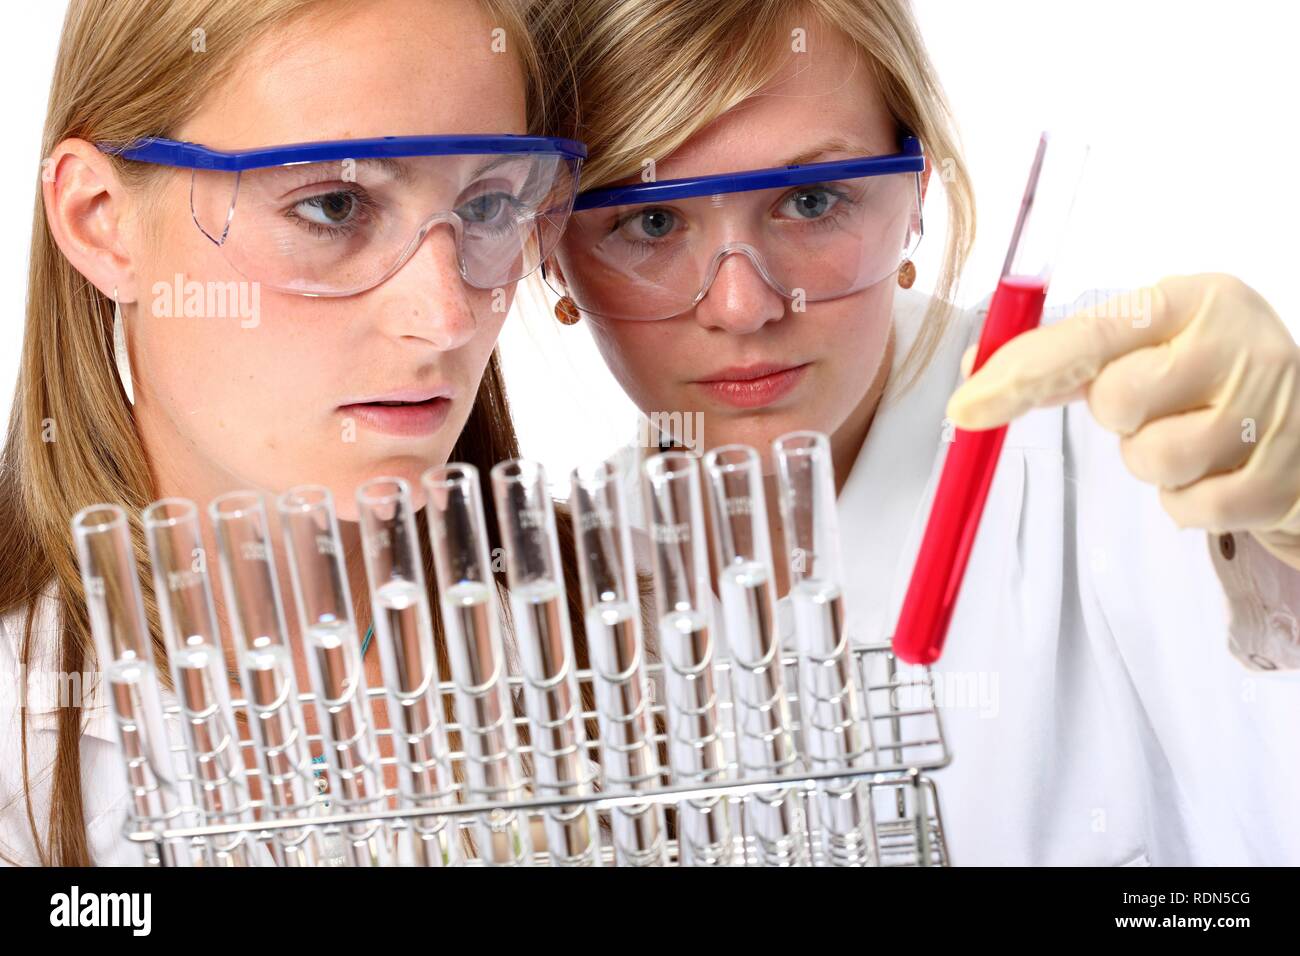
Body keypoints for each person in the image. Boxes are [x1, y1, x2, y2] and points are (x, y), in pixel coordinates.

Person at [532, 0, 1300, 864]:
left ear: (917, 193)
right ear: (550, 250)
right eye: (652, 220)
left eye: (812, 200)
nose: (743, 307)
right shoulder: (533, 600)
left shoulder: (1100, 424)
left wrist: (1290, 512)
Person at [0, 0, 590, 866]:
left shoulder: (651, 643)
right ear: (99, 217)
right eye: (335, 205)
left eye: (492, 205)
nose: (446, 316)